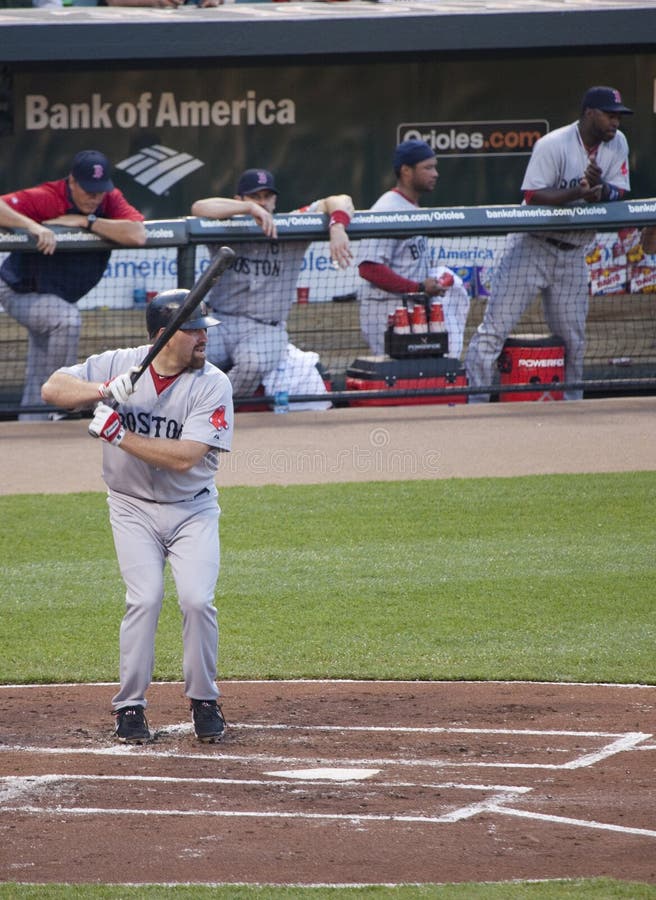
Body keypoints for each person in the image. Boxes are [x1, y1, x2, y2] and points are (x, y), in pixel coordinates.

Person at [41, 290, 233, 744]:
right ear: (164, 335)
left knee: (196, 600)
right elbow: (53, 388)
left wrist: (119, 434)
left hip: (192, 508)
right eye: (194, 329)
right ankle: (130, 707)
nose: (204, 337)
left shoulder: (213, 383)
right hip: (131, 507)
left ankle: (204, 699)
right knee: (144, 599)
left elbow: (186, 457)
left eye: (205, 329)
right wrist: (102, 391)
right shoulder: (119, 362)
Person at [465, 85, 632, 402]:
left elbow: (620, 194)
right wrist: (578, 193)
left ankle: (573, 408)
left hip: (573, 254)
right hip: (532, 247)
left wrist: (601, 191)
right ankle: (476, 405)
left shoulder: (618, 144)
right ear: (589, 113)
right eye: (610, 115)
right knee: (493, 331)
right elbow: (533, 196)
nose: (616, 123)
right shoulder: (553, 144)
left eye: (618, 117)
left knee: (574, 341)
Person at [0, 149, 146, 420]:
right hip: (17, 289)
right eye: (88, 190)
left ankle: (33, 423)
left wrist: (85, 221)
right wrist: (33, 226)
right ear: (72, 182)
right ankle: (61, 404)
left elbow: (138, 234)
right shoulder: (49, 196)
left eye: (99, 190)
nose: (94, 197)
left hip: (54, 295)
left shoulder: (109, 201)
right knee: (66, 320)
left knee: (41, 360)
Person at [191, 168, 354, 399]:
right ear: (239, 199)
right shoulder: (224, 225)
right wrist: (249, 209)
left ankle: (213, 408)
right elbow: (198, 207)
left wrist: (337, 226)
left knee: (252, 365)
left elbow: (339, 200)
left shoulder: (292, 225)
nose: (263, 202)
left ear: (275, 200)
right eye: (255, 197)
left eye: (267, 196)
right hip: (221, 322)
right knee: (186, 355)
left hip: (266, 328)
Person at [357, 139, 470, 359]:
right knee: (397, 380)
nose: (435, 173)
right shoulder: (387, 209)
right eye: (427, 167)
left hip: (409, 309)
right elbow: (368, 268)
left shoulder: (411, 206)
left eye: (435, 166)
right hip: (387, 312)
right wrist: (417, 287)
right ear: (406, 171)